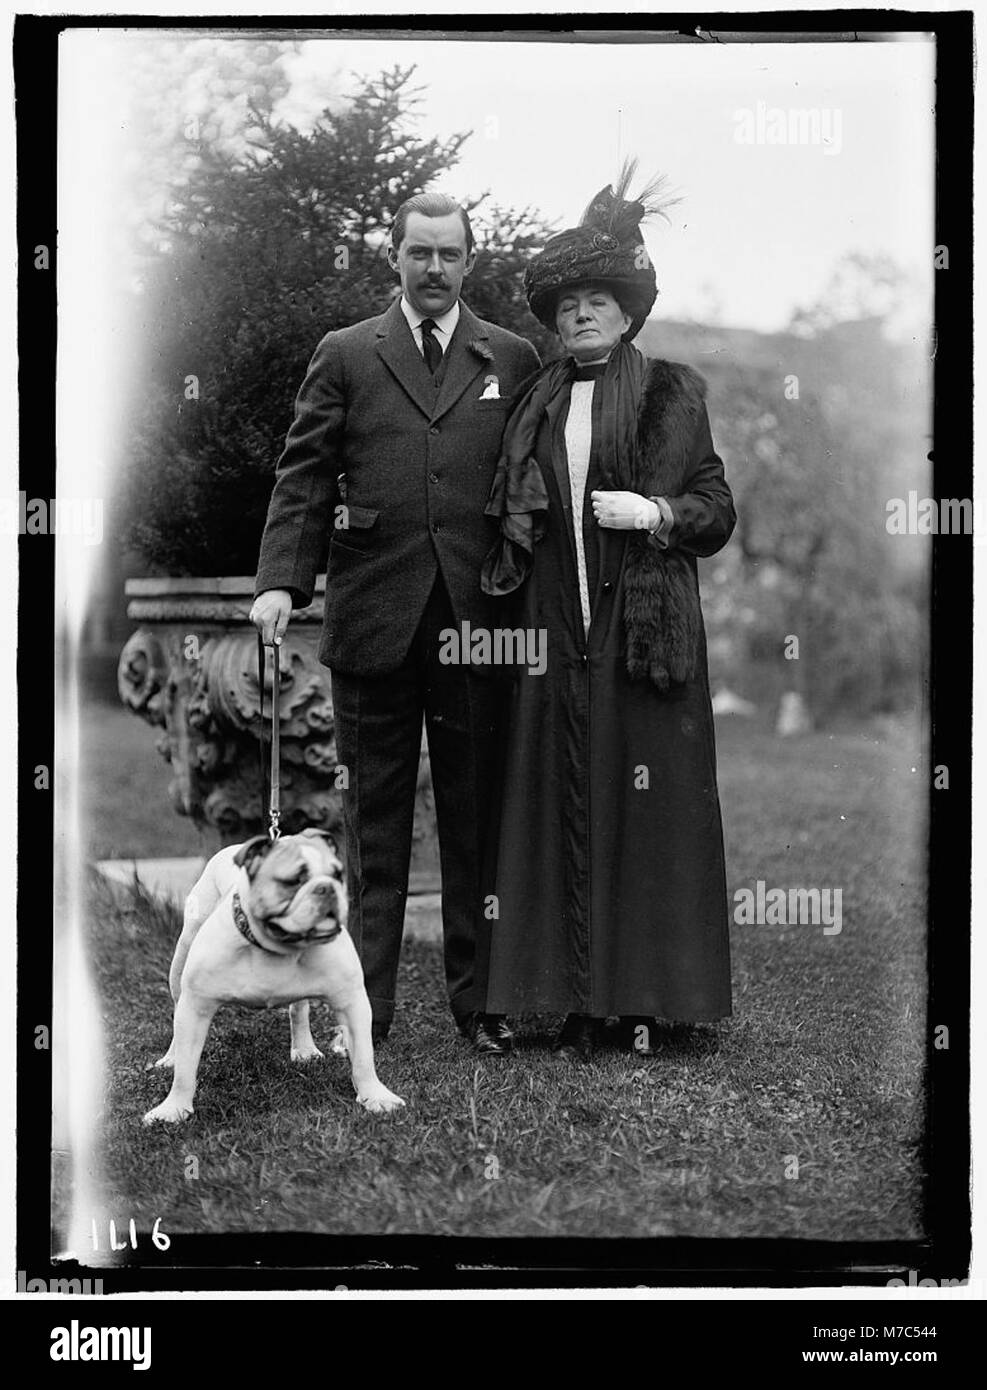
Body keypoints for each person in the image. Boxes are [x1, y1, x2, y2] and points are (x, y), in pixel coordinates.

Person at [250, 192, 540, 1056]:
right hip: (375, 615)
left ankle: (481, 1005)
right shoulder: (346, 353)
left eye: (450, 256)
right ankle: (359, 1010)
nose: (435, 270)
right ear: (395, 256)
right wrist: (279, 582)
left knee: (475, 816)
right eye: (420, 254)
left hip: (477, 623)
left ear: (469, 260)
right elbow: (304, 474)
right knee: (371, 826)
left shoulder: (513, 356)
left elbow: (531, 486)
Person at [476, 164, 735, 1062]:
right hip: (555, 628)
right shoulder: (536, 401)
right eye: (566, 305)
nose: (580, 314)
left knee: (645, 806)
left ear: (627, 312)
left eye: (597, 301)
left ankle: (647, 1003)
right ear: (551, 320)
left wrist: (659, 515)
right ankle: (569, 1000)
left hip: (643, 634)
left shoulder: (669, 389)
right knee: (556, 799)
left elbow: (715, 507)